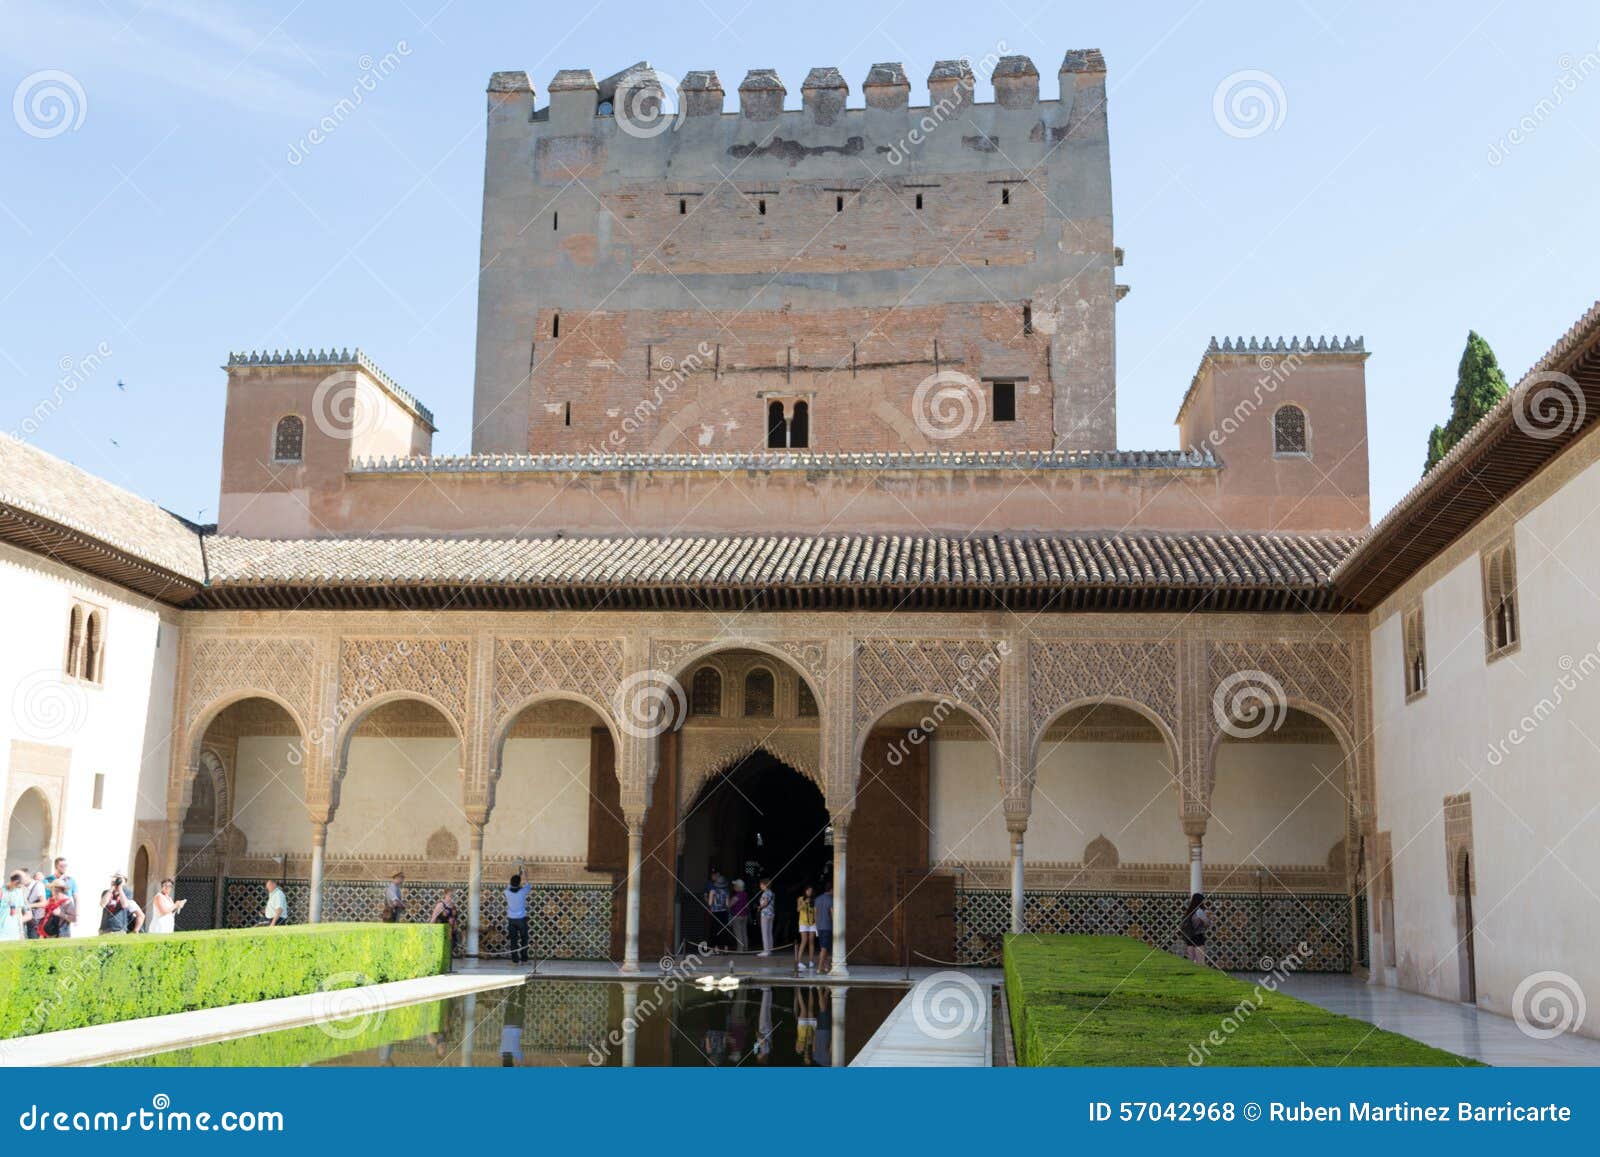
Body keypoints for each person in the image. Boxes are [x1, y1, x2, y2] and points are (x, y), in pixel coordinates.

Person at [505, 868, 532, 964]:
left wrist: (518, 875)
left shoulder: (507, 892)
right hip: (521, 919)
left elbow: (511, 885)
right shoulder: (522, 892)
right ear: (519, 883)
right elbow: (529, 885)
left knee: (513, 940)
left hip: (511, 920)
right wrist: (525, 875)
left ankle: (515, 960)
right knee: (524, 939)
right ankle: (524, 959)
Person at [43, 858, 76, 936]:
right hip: (49, 932)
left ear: (62, 890)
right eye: (53, 889)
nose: (54, 891)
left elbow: (73, 918)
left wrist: (61, 914)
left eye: (57, 889)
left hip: (62, 932)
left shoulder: (67, 902)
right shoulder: (50, 900)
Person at [1179, 892, 1210, 965]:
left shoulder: (1189, 911)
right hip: (1198, 937)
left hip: (1189, 937)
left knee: (1191, 961)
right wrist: (1209, 918)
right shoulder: (1199, 911)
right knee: (1200, 962)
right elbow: (1207, 923)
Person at [704, 869, 730, 952]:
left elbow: (710, 903)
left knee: (715, 930)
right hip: (724, 913)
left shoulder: (712, 891)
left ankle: (716, 948)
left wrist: (707, 899)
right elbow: (727, 904)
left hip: (715, 912)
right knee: (724, 929)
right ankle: (726, 948)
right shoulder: (726, 891)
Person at [795, 884, 817, 972]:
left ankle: (811, 961)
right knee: (804, 941)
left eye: (811, 891)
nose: (809, 893)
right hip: (803, 922)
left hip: (812, 923)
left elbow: (815, 911)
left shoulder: (814, 900)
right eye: (808, 891)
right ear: (805, 891)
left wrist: (816, 922)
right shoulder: (800, 899)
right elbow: (798, 909)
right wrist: (804, 902)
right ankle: (798, 961)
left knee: (811, 941)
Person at [430, 888, 458, 956]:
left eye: (452, 896)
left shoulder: (453, 905)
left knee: (453, 943)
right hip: (442, 928)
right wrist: (431, 927)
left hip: (451, 929)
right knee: (442, 944)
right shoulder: (441, 905)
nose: (451, 897)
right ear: (445, 895)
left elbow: (455, 917)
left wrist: (455, 925)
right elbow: (434, 916)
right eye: (449, 895)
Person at [814, 883, 834, 973]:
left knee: (823, 946)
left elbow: (815, 913)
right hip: (827, 926)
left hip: (819, 926)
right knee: (824, 948)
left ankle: (826, 967)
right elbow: (832, 914)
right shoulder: (831, 900)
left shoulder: (817, 899)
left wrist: (817, 924)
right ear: (831, 890)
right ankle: (819, 968)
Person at [1, 871, 27, 941]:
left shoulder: (19, 892)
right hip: (1, 931)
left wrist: (21, 932)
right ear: (15, 882)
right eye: (20, 885)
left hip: (14, 932)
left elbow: (19, 912)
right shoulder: (1, 891)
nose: (21, 887)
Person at [22, 871, 47, 939]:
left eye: (21, 878)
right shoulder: (23, 887)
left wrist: (28, 905)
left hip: (36, 920)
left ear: (27, 877)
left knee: (33, 940)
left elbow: (43, 903)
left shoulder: (38, 885)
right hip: (27, 919)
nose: (20, 881)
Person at [728, 879, 751, 952]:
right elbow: (747, 906)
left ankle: (740, 949)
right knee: (744, 932)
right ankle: (745, 948)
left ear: (738, 887)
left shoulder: (737, 895)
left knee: (738, 933)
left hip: (737, 916)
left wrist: (727, 900)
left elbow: (730, 904)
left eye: (735, 885)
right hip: (745, 916)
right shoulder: (745, 894)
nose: (734, 887)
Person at [756, 877, 776, 956]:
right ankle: (770, 949)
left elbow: (765, 903)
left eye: (761, 884)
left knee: (765, 932)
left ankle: (766, 951)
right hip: (771, 913)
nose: (760, 886)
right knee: (769, 932)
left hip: (765, 914)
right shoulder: (771, 892)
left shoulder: (765, 893)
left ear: (764, 885)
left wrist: (760, 907)